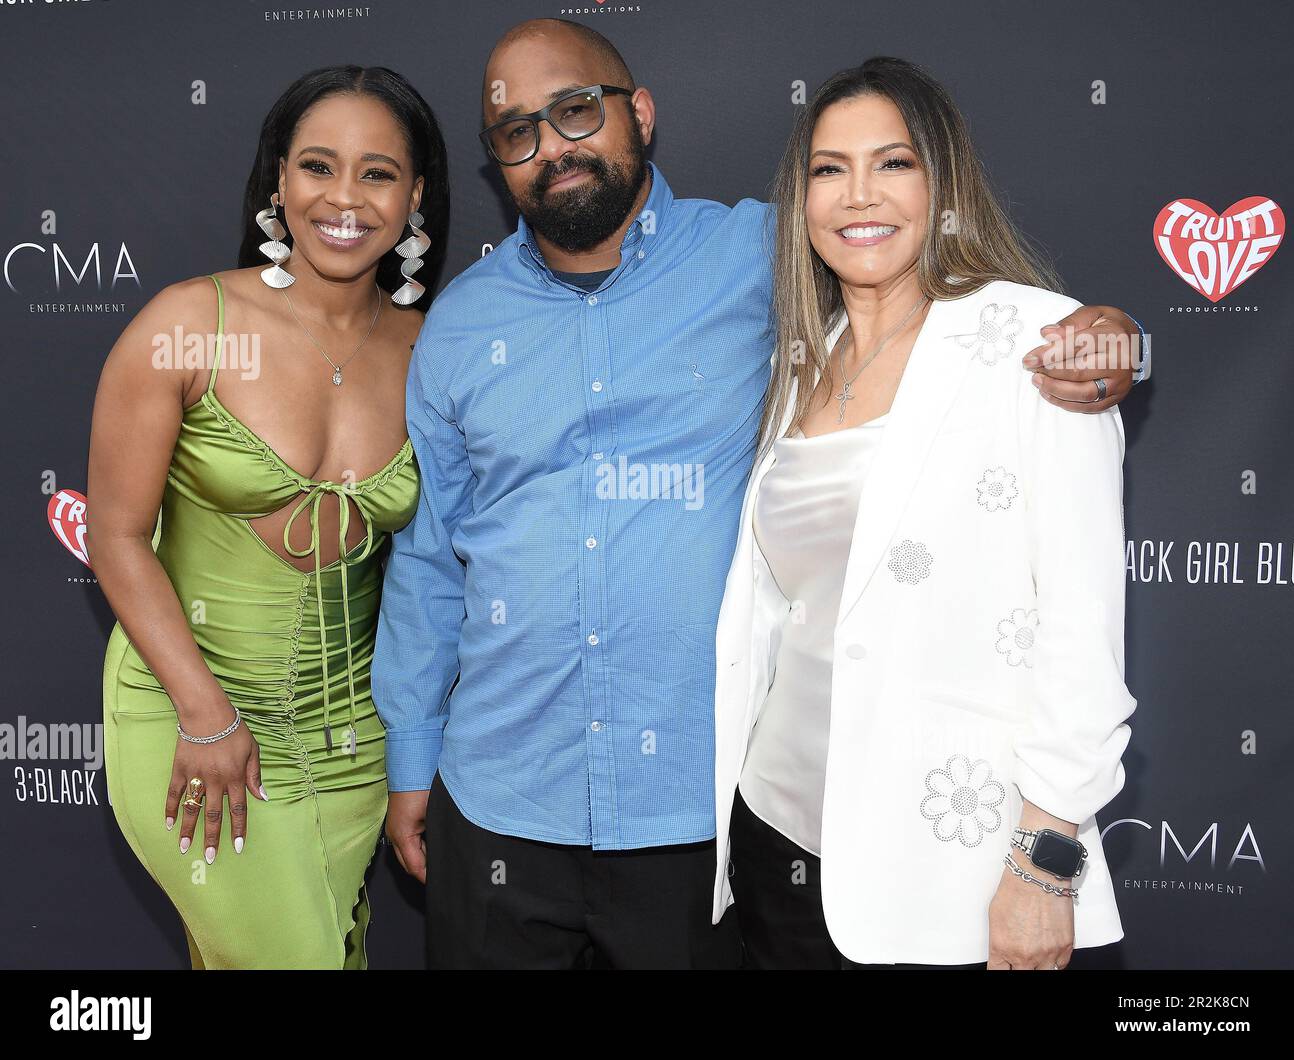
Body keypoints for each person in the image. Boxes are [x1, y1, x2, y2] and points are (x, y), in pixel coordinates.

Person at [373, 19, 1143, 970]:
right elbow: (428, 561)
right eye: (517, 133)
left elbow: (965, 306)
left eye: (575, 110)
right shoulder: (459, 326)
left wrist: (1111, 337)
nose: (553, 147)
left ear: (638, 114)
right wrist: (411, 762)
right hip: (499, 802)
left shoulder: (761, 257)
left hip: (697, 826)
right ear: (497, 163)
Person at [712, 57, 1137, 970]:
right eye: (829, 169)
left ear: (944, 184)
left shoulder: (1037, 344)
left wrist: (1045, 864)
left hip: (954, 873)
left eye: (892, 163)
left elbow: (1083, 628)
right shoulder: (801, 363)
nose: (858, 194)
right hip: (774, 843)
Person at [88, 65, 448, 969]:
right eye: (318, 167)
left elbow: (445, 569)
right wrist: (206, 715)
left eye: (378, 173)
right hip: (189, 719)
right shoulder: (188, 323)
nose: (344, 199)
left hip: (353, 742)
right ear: (278, 182)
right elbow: (116, 534)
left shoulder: (435, 348)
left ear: (415, 197)